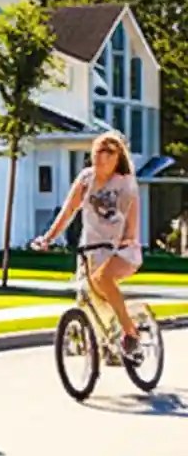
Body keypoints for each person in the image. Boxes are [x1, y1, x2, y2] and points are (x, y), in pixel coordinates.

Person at [32, 131, 144, 358]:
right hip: (92, 248)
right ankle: (101, 342)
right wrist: (48, 238)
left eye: (109, 151)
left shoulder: (125, 183)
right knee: (85, 292)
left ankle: (131, 334)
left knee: (103, 279)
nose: (102, 156)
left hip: (122, 249)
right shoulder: (86, 179)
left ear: (118, 157)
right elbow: (69, 210)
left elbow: (131, 213)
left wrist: (128, 238)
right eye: (99, 150)